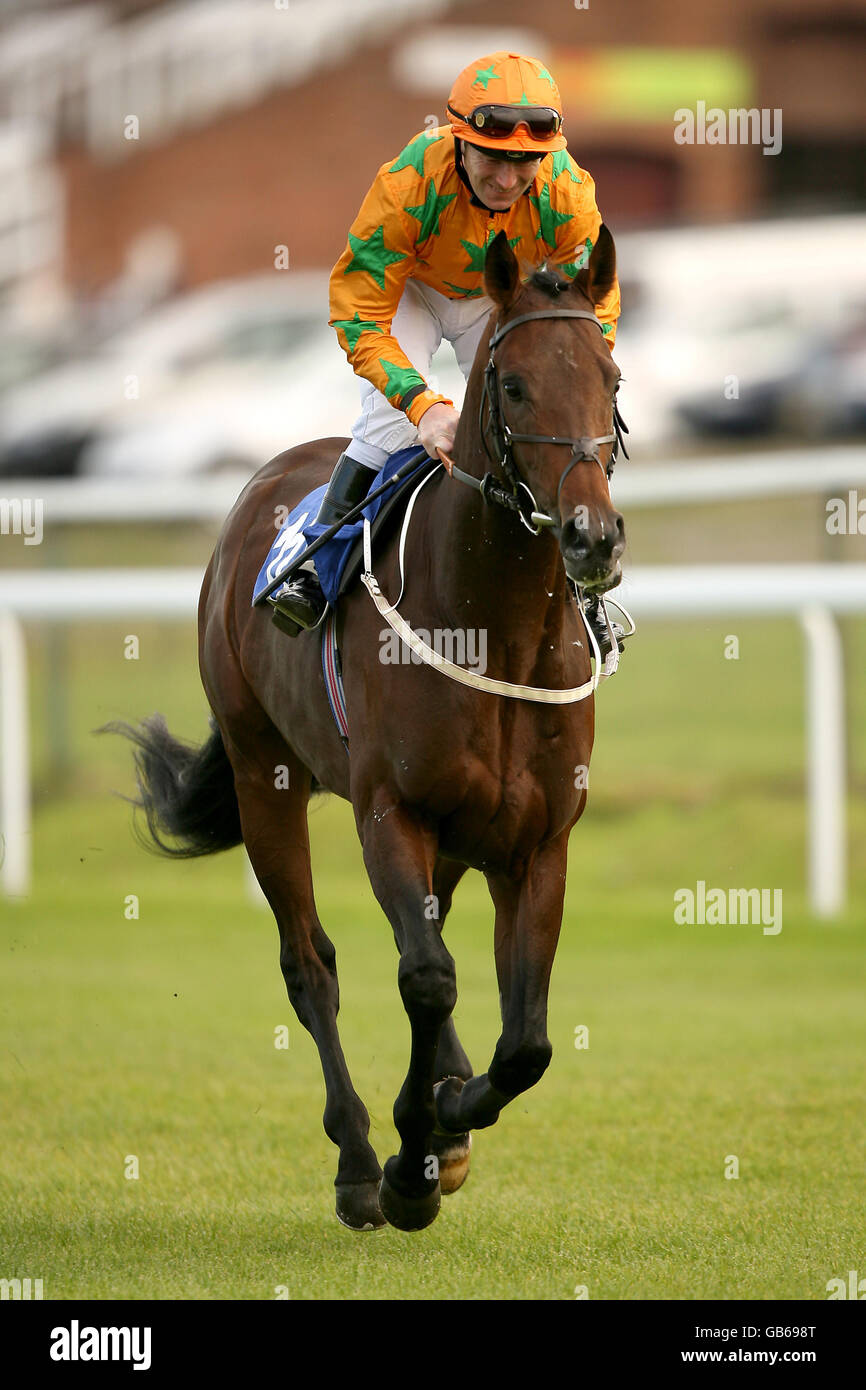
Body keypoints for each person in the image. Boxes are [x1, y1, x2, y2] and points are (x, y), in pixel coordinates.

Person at [274, 50, 624, 654]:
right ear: (459, 139)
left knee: (552, 428)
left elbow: (592, 308)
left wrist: (578, 378)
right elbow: (360, 314)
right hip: (412, 292)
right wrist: (422, 405)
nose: (509, 180)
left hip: (501, 296)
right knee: (388, 424)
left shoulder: (567, 192)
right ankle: (315, 563)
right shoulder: (408, 183)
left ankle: (585, 595)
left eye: (526, 163)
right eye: (494, 158)